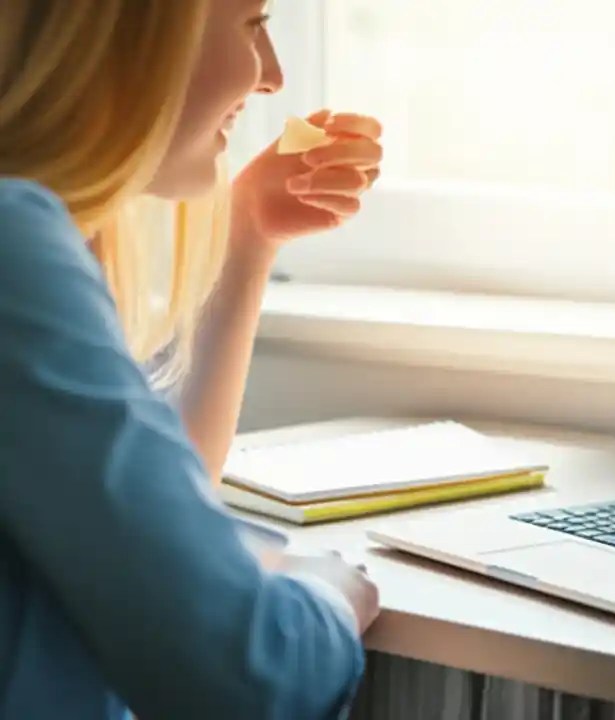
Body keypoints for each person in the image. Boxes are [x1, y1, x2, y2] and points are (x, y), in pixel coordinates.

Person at [0, 2, 384, 718]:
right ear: (130, 35)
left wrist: (249, 237)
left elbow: (148, 514)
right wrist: (330, 592)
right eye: (252, 25)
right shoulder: (11, 249)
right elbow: (248, 676)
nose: (272, 75)